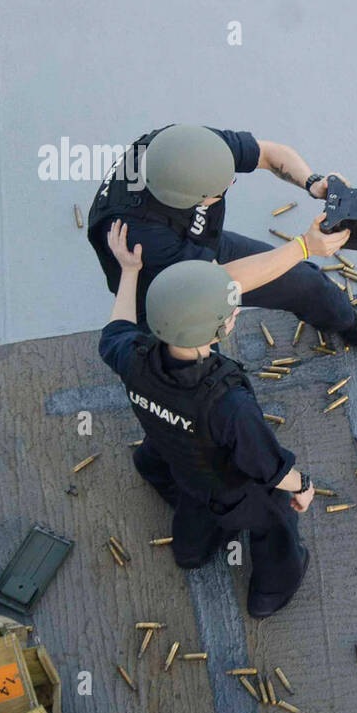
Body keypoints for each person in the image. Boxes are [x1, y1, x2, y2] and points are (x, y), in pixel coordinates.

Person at [98, 220, 314, 618]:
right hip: (230, 489)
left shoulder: (133, 356)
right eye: (229, 312)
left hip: (176, 461)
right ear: (223, 327)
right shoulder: (227, 403)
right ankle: (269, 593)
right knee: (278, 516)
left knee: (192, 537)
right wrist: (303, 485)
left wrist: (129, 272)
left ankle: (194, 551)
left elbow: (116, 328)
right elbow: (267, 466)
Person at [87, 122, 357, 348]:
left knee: (307, 282)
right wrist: (303, 246)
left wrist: (312, 182)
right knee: (192, 371)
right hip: (165, 291)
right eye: (219, 192)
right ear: (188, 199)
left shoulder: (185, 146)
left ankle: (345, 324)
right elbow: (215, 284)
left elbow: (267, 153)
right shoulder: (142, 235)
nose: (229, 184)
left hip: (200, 244)